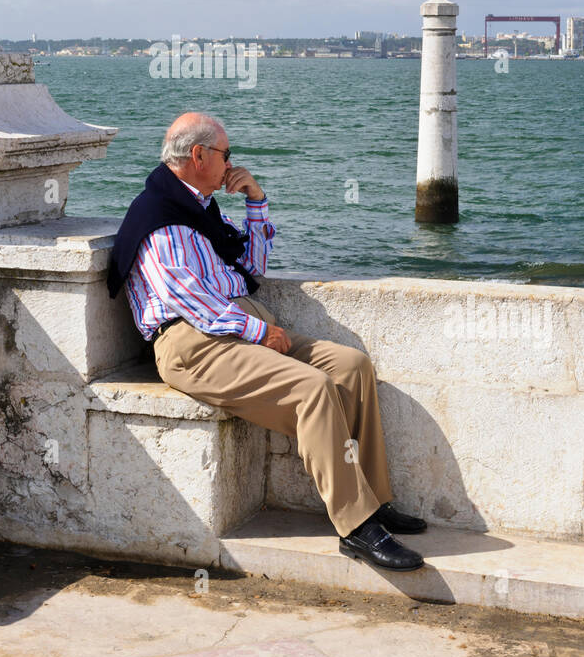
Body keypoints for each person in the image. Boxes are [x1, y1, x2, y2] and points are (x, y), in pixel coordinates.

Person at [106, 111, 426, 571]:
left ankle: (373, 500)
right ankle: (356, 529)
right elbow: (189, 301)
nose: (230, 163)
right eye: (225, 154)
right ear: (198, 155)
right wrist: (261, 332)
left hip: (236, 325)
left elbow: (251, 268)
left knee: (351, 365)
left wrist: (256, 201)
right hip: (195, 344)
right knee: (313, 390)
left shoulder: (197, 209)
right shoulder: (160, 217)